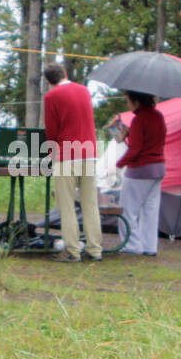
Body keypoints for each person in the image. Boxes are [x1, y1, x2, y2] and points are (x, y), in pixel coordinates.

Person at [43, 62, 102, 262]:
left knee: (66, 206)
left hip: (66, 155)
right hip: (89, 152)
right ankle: (95, 249)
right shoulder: (84, 91)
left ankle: (72, 250)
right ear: (65, 73)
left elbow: (52, 129)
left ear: (49, 81)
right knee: (90, 204)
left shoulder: (51, 96)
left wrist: (51, 152)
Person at [110, 91, 166, 256]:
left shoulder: (139, 119)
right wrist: (129, 134)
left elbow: (135, 150)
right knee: (151, 210)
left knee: (128, 210)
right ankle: (150, 246)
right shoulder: (158, 116)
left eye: (128, 101)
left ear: (136, 101)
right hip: (159, 168)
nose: (128, 104)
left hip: (140, 170)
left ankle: (132, 246)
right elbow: (151, 142)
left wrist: (118, 165)